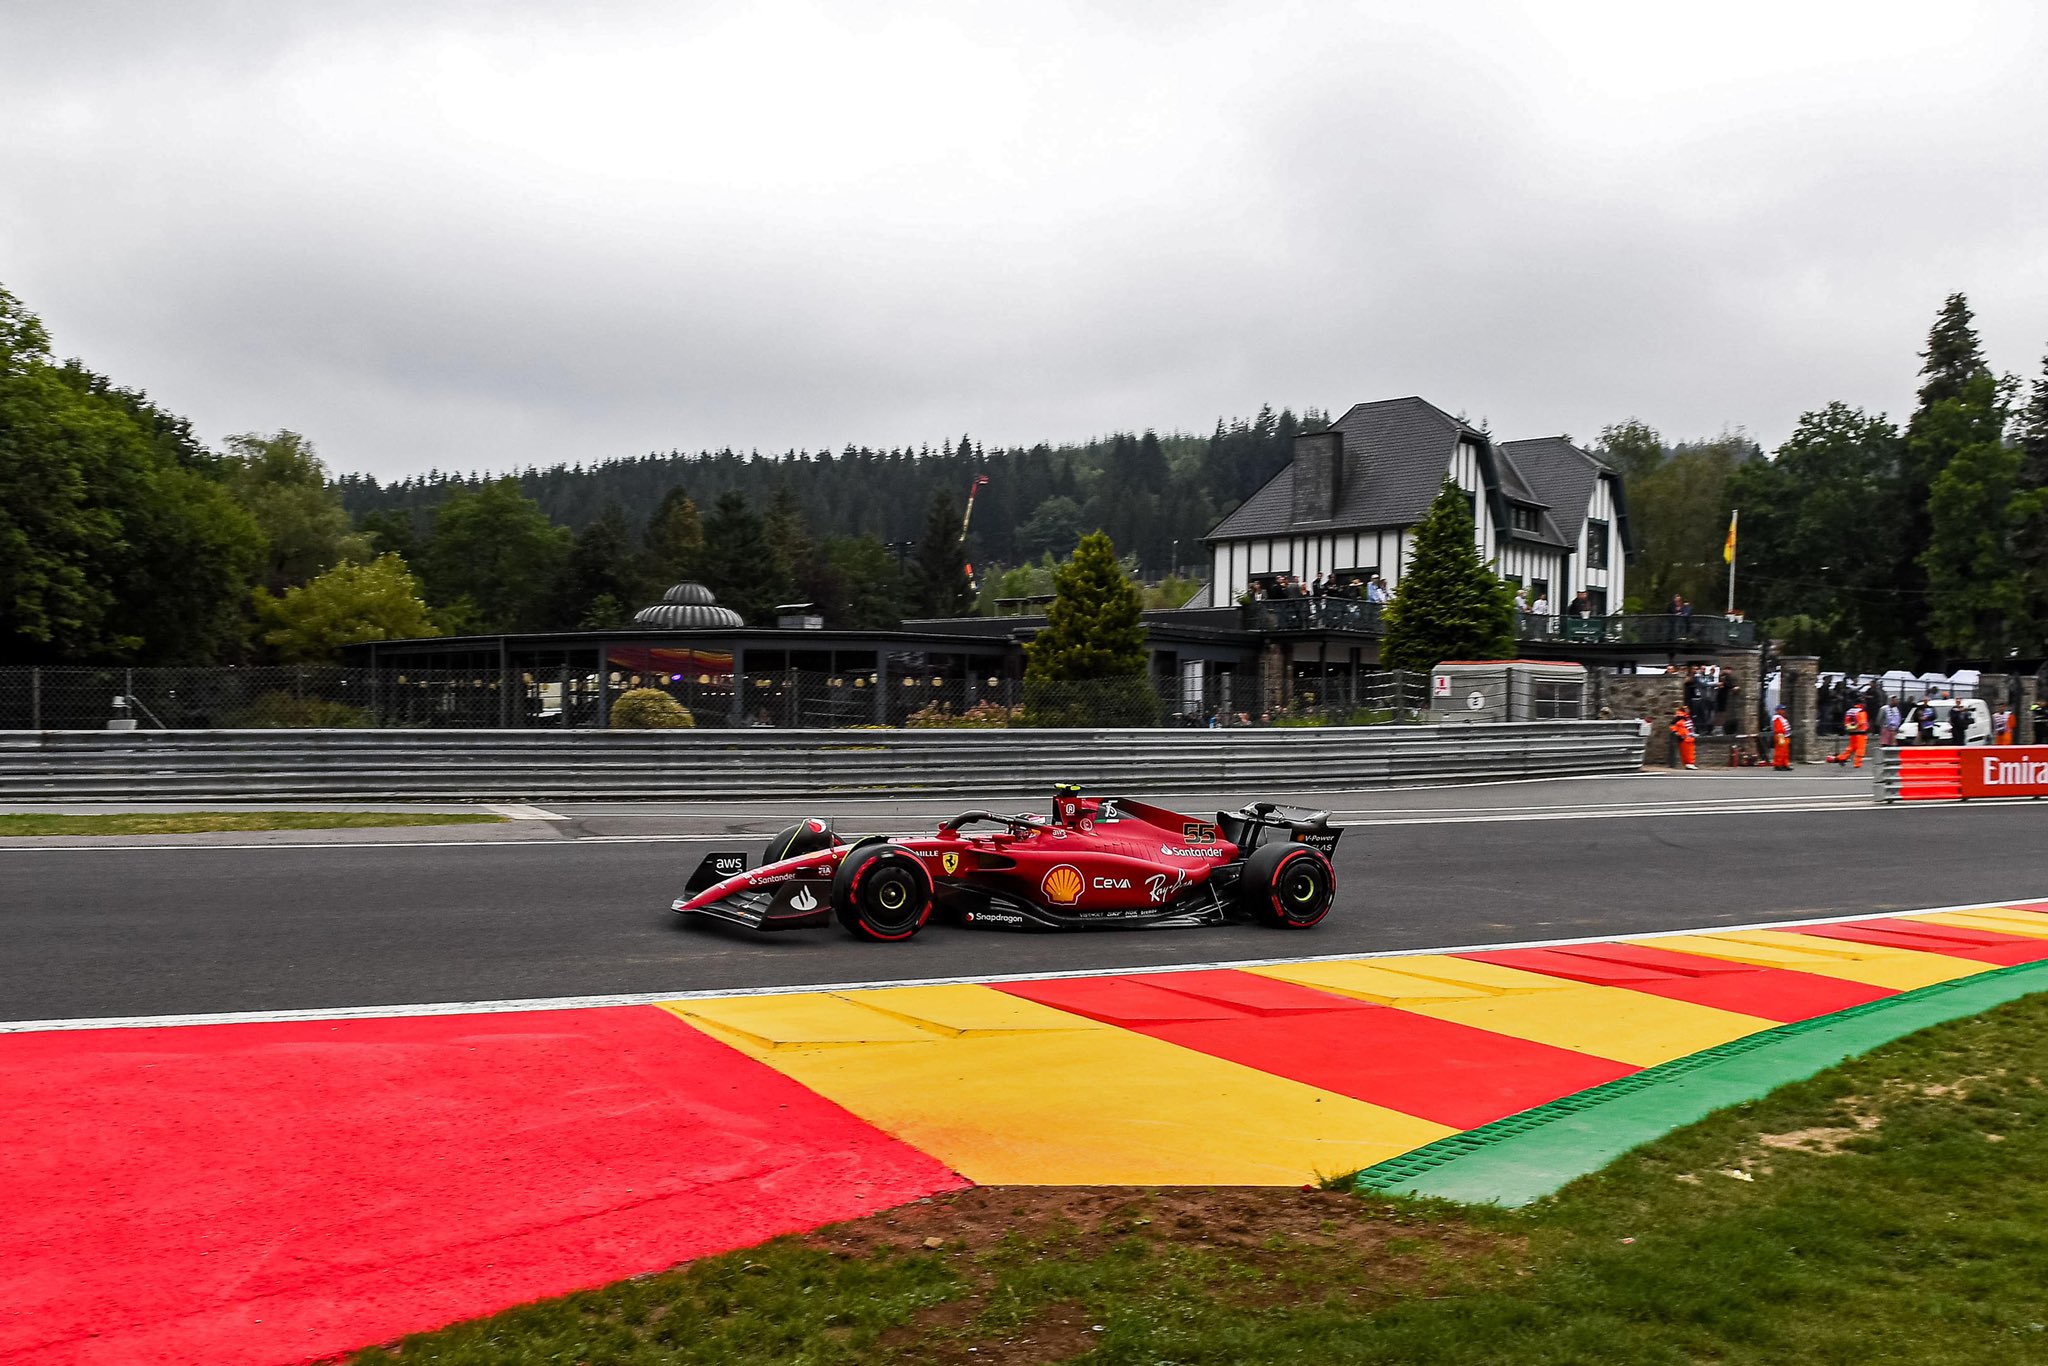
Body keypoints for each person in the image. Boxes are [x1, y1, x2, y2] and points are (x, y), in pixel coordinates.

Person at [1829, 698, 1869, 768]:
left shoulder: (1850, 711)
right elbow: (1862, 722)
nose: (1865, 705)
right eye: (1864, 703)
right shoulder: (1861, 712)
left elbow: (1846, 722)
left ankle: (1842, 758)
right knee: (1860, 749)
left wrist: (1851, 728)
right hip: (1861, 733)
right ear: (1861, 704)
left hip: (1852, 733)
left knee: (1851, 748)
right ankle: (1857, 763)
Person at [1671, 705, 1697, 769]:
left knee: (1689, 751)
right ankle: (1689, 763)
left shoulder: (1686, 717)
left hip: (1688, 736)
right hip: (1684, 737)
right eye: (1686, 709)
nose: (1688, 710)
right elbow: (1673, 726)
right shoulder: (1680, 717)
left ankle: (1689, 763)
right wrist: (1677, 733)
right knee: (1686, 751)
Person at [1771, 704, 1793, 770]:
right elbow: (1779, 728)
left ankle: (1784, 764)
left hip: (1785, 736)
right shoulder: (1777, 717)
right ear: (1778, 710)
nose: (1783, 711)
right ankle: (1778, 765)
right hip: (1781, 735)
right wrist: (1781, 735)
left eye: (1784, 709)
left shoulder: (1782, 717)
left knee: (1785, 752)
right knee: (1780, 751)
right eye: (1782, 709)